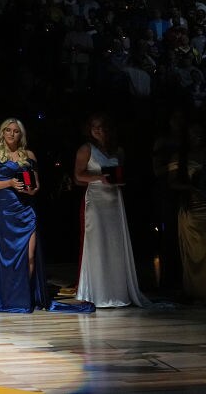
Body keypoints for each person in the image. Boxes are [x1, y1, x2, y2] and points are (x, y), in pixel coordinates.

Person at [73, 113, 147, 307]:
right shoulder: (86, 149)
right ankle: (98, 292)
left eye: (103, 126)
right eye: (95, 126)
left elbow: (121, 173)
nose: (100, 130)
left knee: (115, 245)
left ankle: (117, 291)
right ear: (89, 129)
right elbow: (77, 176)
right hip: (96, 200)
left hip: (115, 200)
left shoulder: (118, 150)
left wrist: (119, 180)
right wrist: (100, 178)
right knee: (97, 243)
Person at [0, 117, 46, 312]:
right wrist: (10, 183)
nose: (12, 134)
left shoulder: (29, 155)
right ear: (3, 133)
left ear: (21, 134)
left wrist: (31, 190)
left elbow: (36, 184)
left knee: (29, 256)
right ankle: (8, 298)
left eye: (16, 131)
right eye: (8, 130)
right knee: (7, 256)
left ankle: (23, 297)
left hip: (26, 208)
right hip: (6, 209)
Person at [168, 123, 206, 303]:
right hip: (192, 208)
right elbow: (172, 183)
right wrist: (191, 188)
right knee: (195, 252)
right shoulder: (180, 157)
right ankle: (197, 291)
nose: (196, 137)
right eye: (193, 134)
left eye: (199, 133)